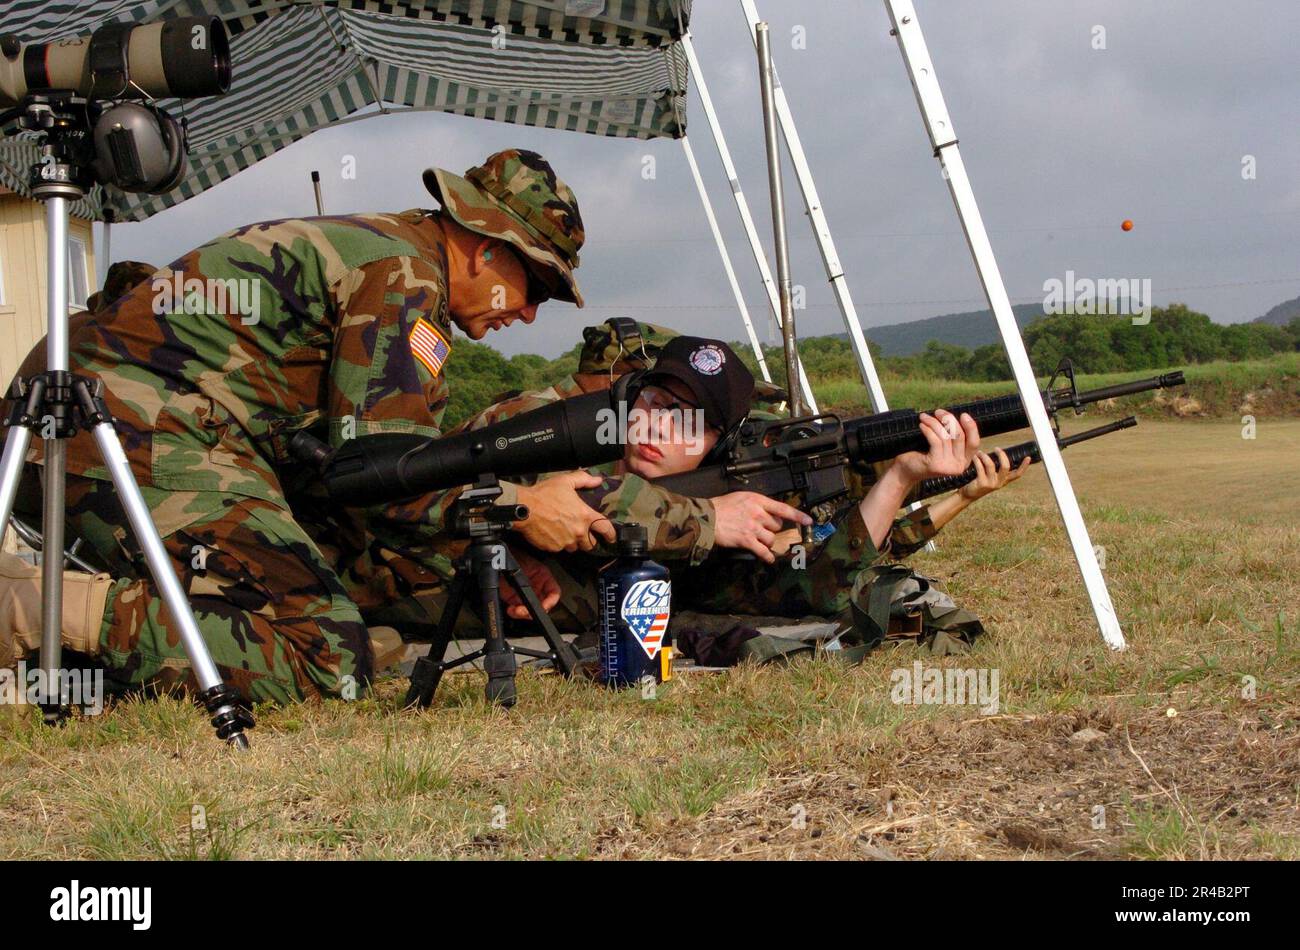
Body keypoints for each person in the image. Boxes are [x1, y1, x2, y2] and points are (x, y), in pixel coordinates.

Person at [0, 148, 620, 704]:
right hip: (137, 431)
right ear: (486, 245)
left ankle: (103, 636)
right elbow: (383, 476)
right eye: (535, 284)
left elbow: (355, 469)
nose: (533, 313)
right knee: (328, 656)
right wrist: (521, 507)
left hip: (128, 427)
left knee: (343, 592)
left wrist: (488, 538)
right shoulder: (404, 277)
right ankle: (30, 607)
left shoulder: (389, 251)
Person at [444, 333, 1029, 634]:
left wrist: (902, 477)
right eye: (652, 402)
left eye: (689, 420)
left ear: (718, 446)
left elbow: (815, 590)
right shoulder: (558, 449)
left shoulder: (708, 548)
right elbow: (452, 485)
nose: (657, 426)